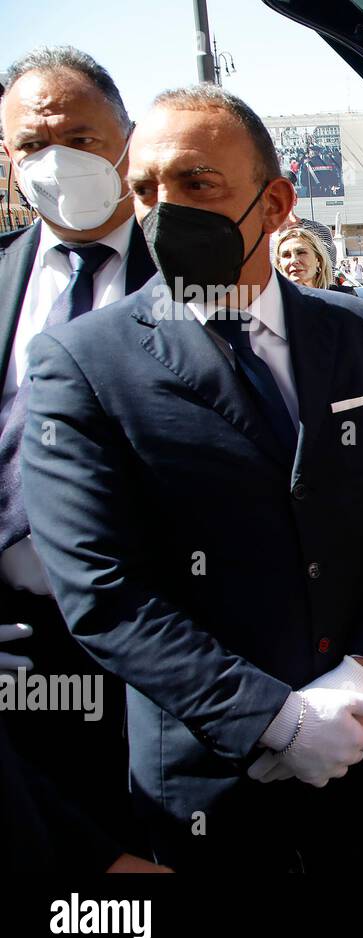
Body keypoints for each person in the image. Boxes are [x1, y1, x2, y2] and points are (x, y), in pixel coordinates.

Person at [21, 84, 363, 872]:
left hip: (360, 747)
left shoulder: (358, 333)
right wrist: (276, 718)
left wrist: (362, 669)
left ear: (276, 202)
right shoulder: (82, 364)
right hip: (205, 783)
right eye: (144, 188)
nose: (161, 210)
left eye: (195, 184)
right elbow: (102, 590)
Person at [0, 46, 159, 859]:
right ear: (6, 155)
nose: (57, 161)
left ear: (128, 142)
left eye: (84, 139)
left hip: (156, 638)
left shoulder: (199, 280)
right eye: (32, 145)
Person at [274, 225, 344, 293]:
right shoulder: (273, 301)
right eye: (286, 255)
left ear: (318, 260)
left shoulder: (345, 298)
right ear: (279, 265)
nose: (294, 260)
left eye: (301, 252)